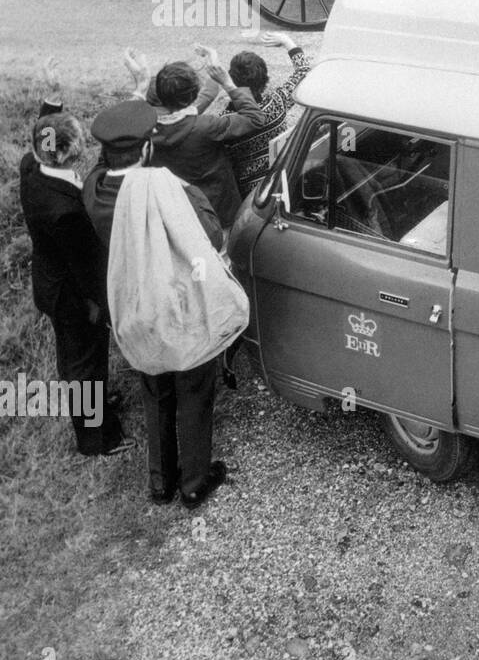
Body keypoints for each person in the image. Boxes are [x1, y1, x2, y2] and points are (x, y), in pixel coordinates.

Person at [83, 101, 227, 508]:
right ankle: (195, 481)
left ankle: (160, 482)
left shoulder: (93, 190)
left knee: (155, 389)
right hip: (176, 305)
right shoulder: (170, 190)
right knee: (193, 390)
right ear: (148, 149)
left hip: (130, 306)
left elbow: (101, 164)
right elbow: (212, 238)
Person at [18, 61, 134, 458]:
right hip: (74, 296)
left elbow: (44, 136)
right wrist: (102, 304)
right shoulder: (65, 210)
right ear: (72, 152)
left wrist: (52, 97)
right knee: (85, 364)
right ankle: (98, 439)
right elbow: (87, 267)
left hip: (52, 283)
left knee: (77, 359)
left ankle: (94, 411)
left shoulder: (31, 168)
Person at [148, 52, 265, 231]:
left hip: (181, 212)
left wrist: (140, 86)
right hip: (220, 211)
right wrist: (228, 83)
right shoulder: (206, 126)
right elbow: (255, 118)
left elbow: (203, 99)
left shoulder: (145, 129)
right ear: (193, 94)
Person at [209, 31, 313, 198]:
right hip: (284, 180)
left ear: (231, 81)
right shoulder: (278, 102)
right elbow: (304, 71)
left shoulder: (225, 121)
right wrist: (287, 42)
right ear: (265, 80)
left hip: (251, 195)